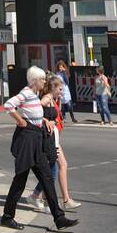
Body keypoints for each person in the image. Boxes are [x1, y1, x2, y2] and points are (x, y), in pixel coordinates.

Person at [0, 67, 78, 232]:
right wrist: (21, 121)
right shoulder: (26, 93)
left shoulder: (33, 95)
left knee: (47, 178)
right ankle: (7, 217)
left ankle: (59, 218)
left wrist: (43, 120)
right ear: (35, 81)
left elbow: (32, 114)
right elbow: (8, 105)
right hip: (27, 140)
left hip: (36, 140)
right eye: (42, 80)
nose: (44, 82)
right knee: (20, 180)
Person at [29, 75, 81, 213]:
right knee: (54, 170)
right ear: (53, 87)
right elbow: (36, 111)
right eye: (60, 89)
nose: (61, 91)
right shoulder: (46, 99)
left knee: (55, 169)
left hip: (54, 138)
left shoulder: (54, 99)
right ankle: (58, 201)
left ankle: (42, 198)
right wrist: (46, 120)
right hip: (48, 140)